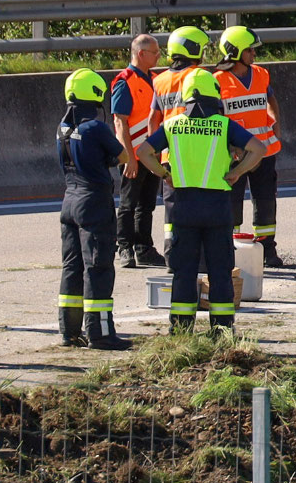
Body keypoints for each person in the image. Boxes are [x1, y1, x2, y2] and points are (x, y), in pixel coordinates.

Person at [137, 68, 264, 336]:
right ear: (214, 96)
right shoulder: (223, 125)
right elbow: (258, 149)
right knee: (220, 271)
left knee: (184, 271)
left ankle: (181, 331)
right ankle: (222, 331)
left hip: (183, 206)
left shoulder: (173, 125)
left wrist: (164, 174)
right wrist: (237, 172)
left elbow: (143, 151)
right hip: (217, 206)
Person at [57, 68, 132, 351]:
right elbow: (123, 155)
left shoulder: (62, 128)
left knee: (72, 268)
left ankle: (69, 331)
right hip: (94, 201)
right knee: (98, 267)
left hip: (69, 200)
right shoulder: (96, 128)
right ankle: (100, 333)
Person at [215, 25, 285, 265]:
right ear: (234, 52)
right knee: (231, 202)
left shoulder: (261, 74)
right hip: (233, 155)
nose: (254, 54)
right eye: (249, 50)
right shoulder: (217, 81)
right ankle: (230, 248)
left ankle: (267, 249)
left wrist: (275, 118)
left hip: (263, 152)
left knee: (265, 200)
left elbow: (270, 97)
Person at [109, 34, 165, 268]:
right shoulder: (125, 81)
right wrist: (129, 157)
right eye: (155, 52)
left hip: (150, 153)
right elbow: (120, 122)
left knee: (147, 203)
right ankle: (124, 247)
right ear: (141, 54)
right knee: (128, 202)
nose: (159, 55)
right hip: (133, 153)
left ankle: (144, 247)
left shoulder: (156, 79)